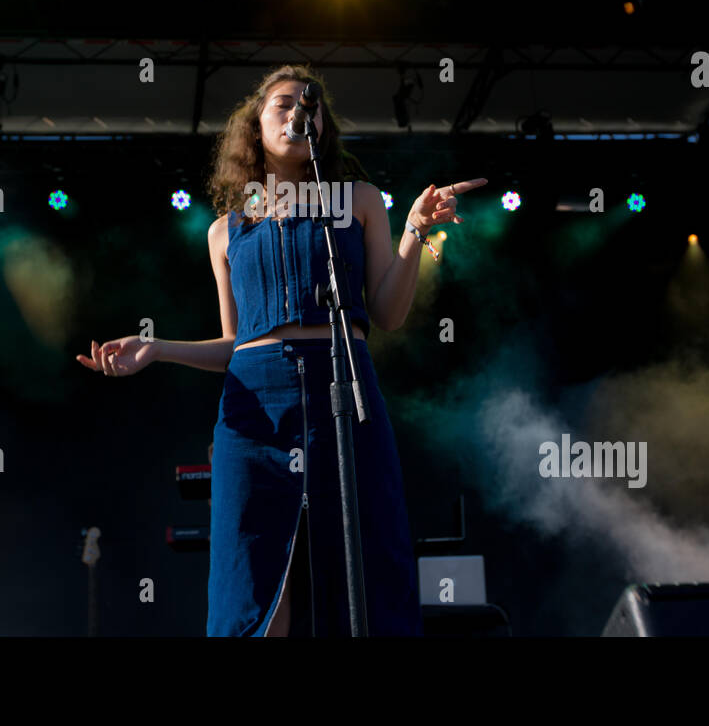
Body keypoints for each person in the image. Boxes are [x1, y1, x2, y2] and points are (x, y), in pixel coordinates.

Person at [77, 63, 486, 636]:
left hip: (344, 386)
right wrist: (158, 348)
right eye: (284, 103)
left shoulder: (360, 200)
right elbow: (233, 344)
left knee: (365, 558)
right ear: (256, 126)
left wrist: (415, 230)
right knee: (258, 574)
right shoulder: (226, 229)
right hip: (254, 408)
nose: (300, 112)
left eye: (310, 105)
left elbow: (387, 315)